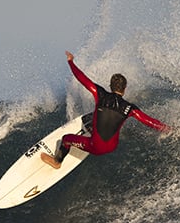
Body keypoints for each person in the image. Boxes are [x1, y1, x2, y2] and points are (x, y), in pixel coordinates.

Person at [41, 52, 171, 168]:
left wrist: (70, 61)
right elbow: (150, 122)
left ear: (110, 86)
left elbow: (82, 79)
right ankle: (91, 130)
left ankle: (56, 162)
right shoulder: (130, 108)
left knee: (66, 139)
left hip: (95, 147)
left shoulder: (100, 94)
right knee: (91, 117)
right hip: (112, 147)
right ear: (125, 88)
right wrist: (167, 129)